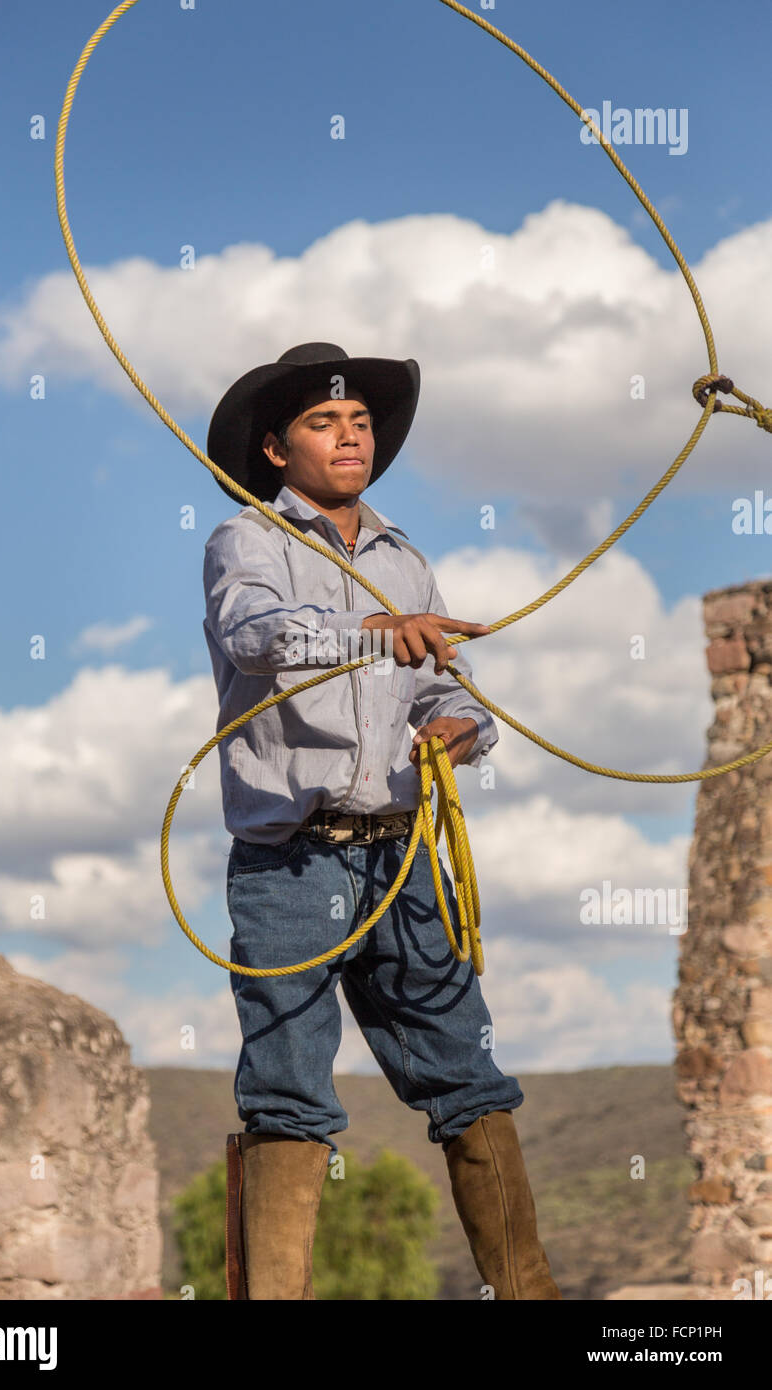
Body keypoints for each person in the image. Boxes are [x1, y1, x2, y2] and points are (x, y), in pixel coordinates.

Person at [203, 342, 561, 1300]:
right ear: (277, 450)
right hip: (290, 861)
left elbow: (452, 686)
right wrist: (369, 636)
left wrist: (455, 724)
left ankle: (529, 1296)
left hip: (404, 859)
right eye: (324, 423)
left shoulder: (408, 560)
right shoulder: (249, 541)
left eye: (359, 421)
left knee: (470, 1077)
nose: (350, 435)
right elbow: (256, 635)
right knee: (288, 1095)